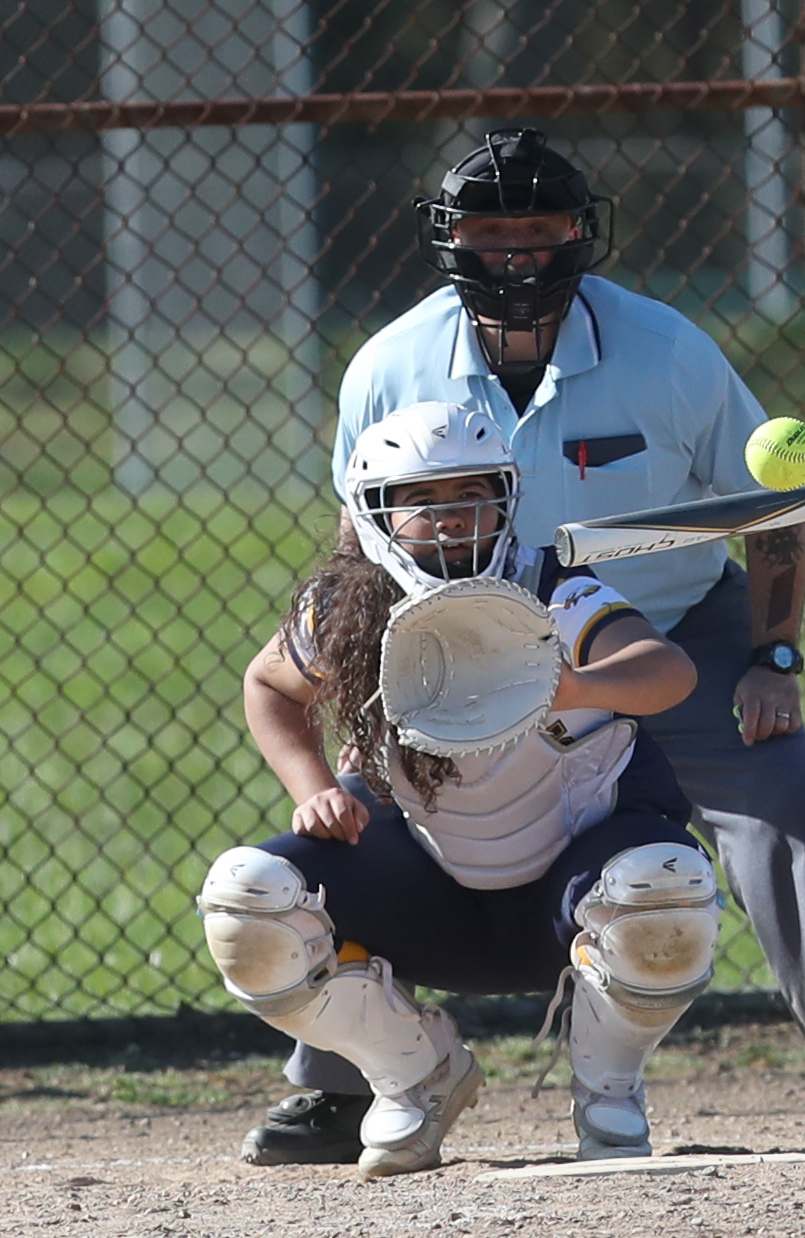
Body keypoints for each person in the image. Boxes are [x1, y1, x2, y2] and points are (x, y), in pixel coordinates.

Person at [239, 129, 805, 1166]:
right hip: (444, 642)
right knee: (367, 821)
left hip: (661, 629)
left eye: (539, 228)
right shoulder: (390, 362)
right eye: (489, 231)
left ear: (580, 236)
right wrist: (363, 701)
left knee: (798, 798)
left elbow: (775, 509)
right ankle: (354, 1081)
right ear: (450, 242)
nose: (515, 252)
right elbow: (360, 536)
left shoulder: (666, 351)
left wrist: (772, 658)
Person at [202, 401, 720, 1175]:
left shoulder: (554, 587)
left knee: (664, 882)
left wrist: (566, 687)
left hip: (572, 888)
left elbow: (668, 673)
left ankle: (608, 1091)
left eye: (470, 494)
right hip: (429, 894)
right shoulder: (349, 605)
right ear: (375, 514)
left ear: (506, 499)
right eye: (422, 502)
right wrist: (312, 786)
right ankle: (416, 1076)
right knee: (249, 899)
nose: (450, 519)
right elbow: (269, 686)